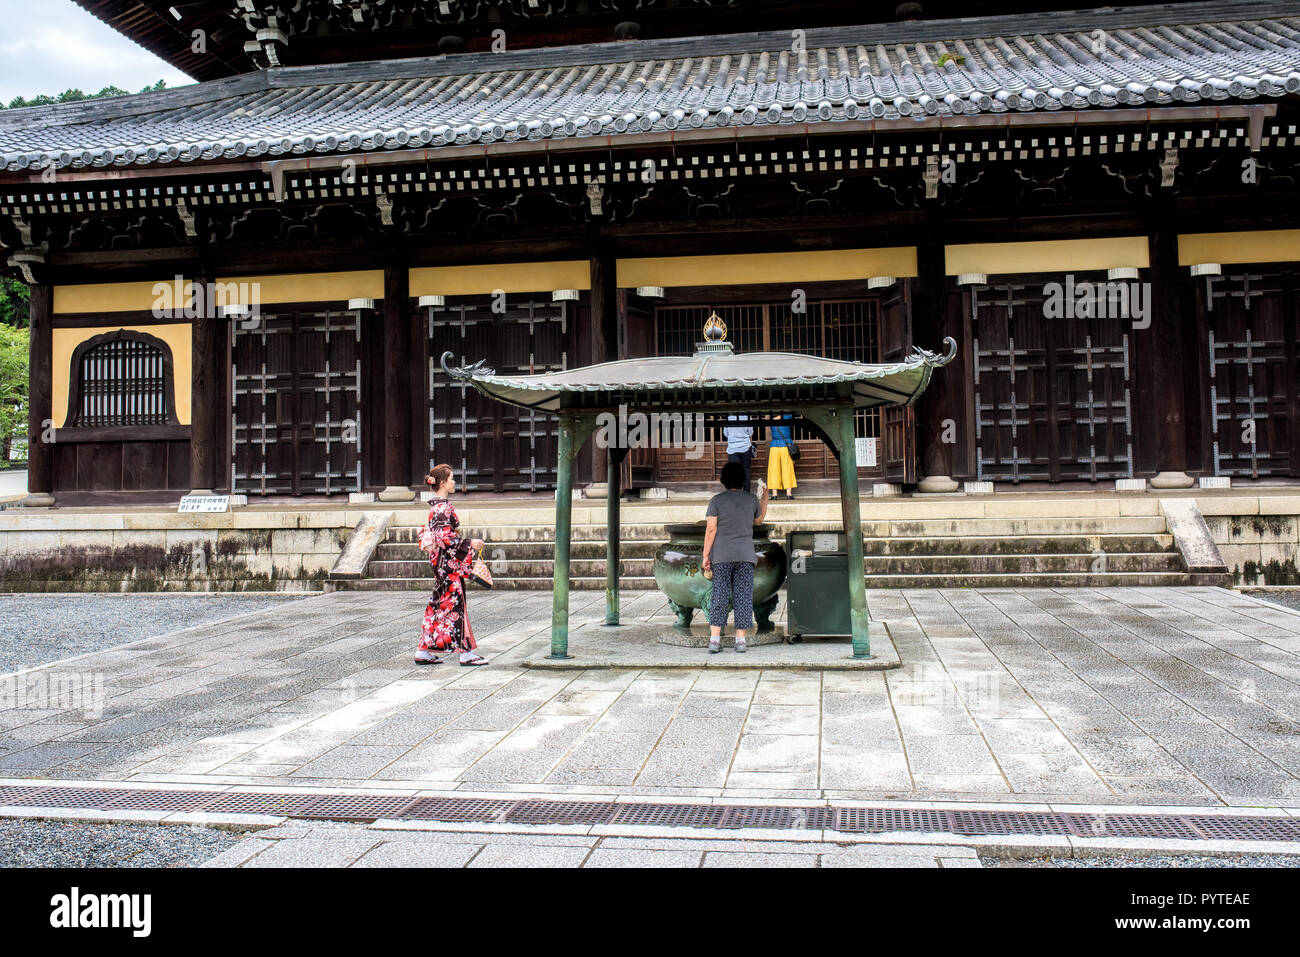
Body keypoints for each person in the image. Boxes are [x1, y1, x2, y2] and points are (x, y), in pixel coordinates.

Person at [415, 464, 489, 666]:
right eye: (451, 478)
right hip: (448, 566)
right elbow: (446, 538)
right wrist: (469, 543)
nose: (454, 481)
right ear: (442, 483)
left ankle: (423, 649)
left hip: (441, 564)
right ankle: (465, 653)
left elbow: (442, 537)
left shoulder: (437, 507)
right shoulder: (442, 508)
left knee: (438, 605)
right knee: (456, 604)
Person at [702, 460, 768, 654]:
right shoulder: (750, 500)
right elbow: (758, 520)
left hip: (721, 555)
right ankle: (740, 640)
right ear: (742, 479)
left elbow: (711, 529)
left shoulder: (717, 501)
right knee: (743, 596)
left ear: (724, 480)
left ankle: (714, 640)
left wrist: (705, 555)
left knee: (719, 596)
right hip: (745, 555)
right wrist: (764, 498)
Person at [767, 413, 797, 501]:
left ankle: (774, 494)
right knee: (787, 469)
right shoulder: (787, 417)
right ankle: (788, 494)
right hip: (785, 446)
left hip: (774, 447)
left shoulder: (771, 422)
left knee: (774, 470)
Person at [724, 413, 755, 492]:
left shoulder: (729, 417)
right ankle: (747, 492)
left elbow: (726, 433)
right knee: (746, 471)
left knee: (734, 472)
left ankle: (735, 492)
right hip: (745, 446)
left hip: (733, 448)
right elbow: (750, 432)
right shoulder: (747, 417)